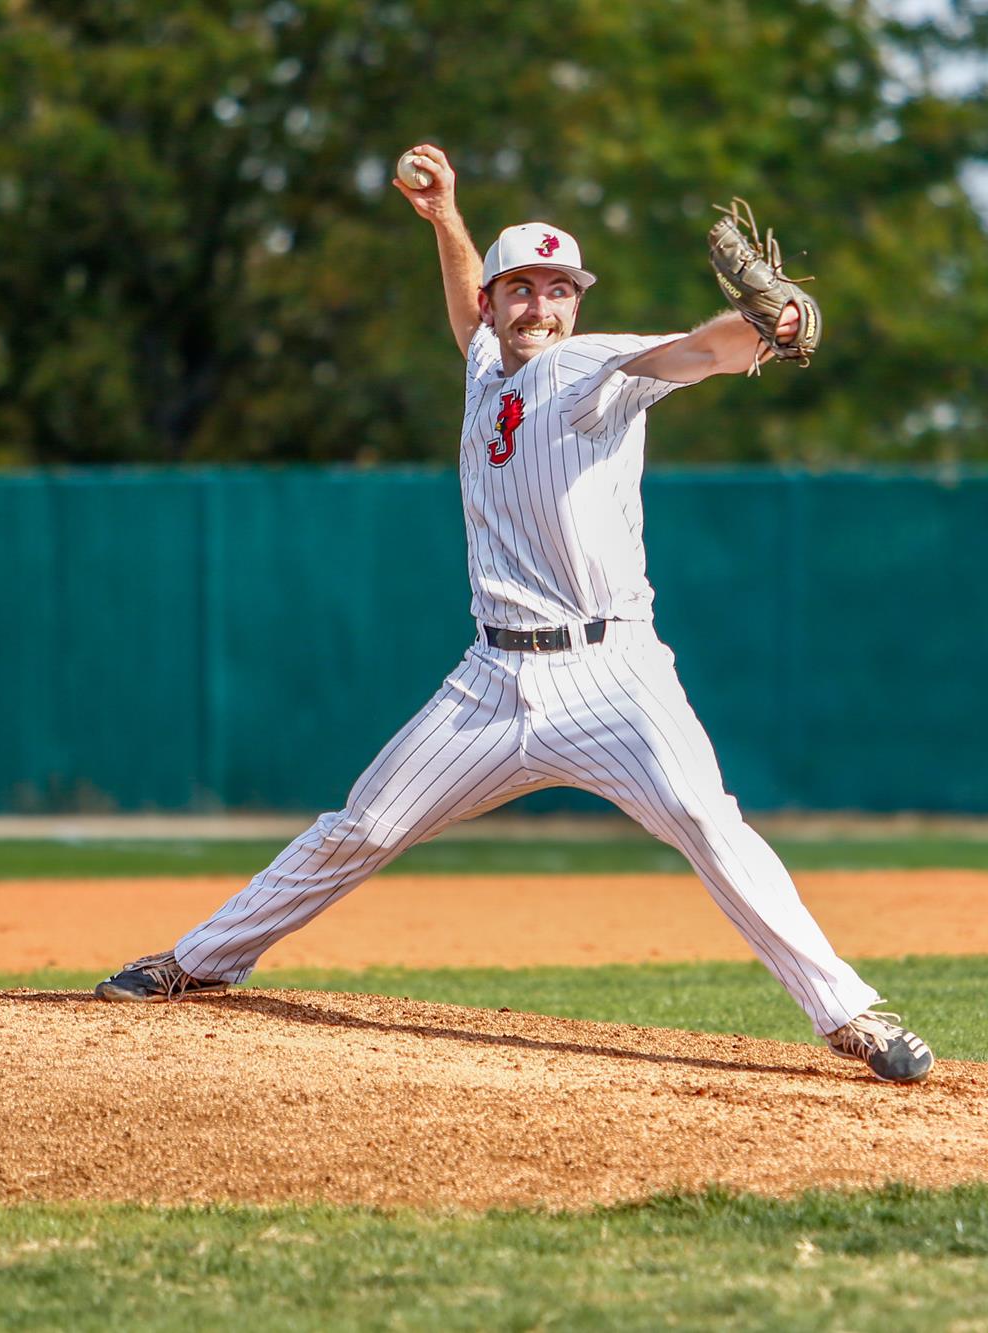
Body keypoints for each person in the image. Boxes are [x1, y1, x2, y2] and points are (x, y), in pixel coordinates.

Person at [93, 144, 933, 1084]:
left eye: (559, 289)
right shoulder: (487, 361)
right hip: (491, 680)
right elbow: (463, 314)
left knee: (707, 817)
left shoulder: (596, 369)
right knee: (362, 827)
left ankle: (850, 1016)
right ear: (497, 303)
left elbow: (697, 352)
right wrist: (447, 217)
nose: (542, 306)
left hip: (614, 675)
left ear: (579, 303)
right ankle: (199, 960)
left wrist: (770, 324)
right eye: (521, 289)